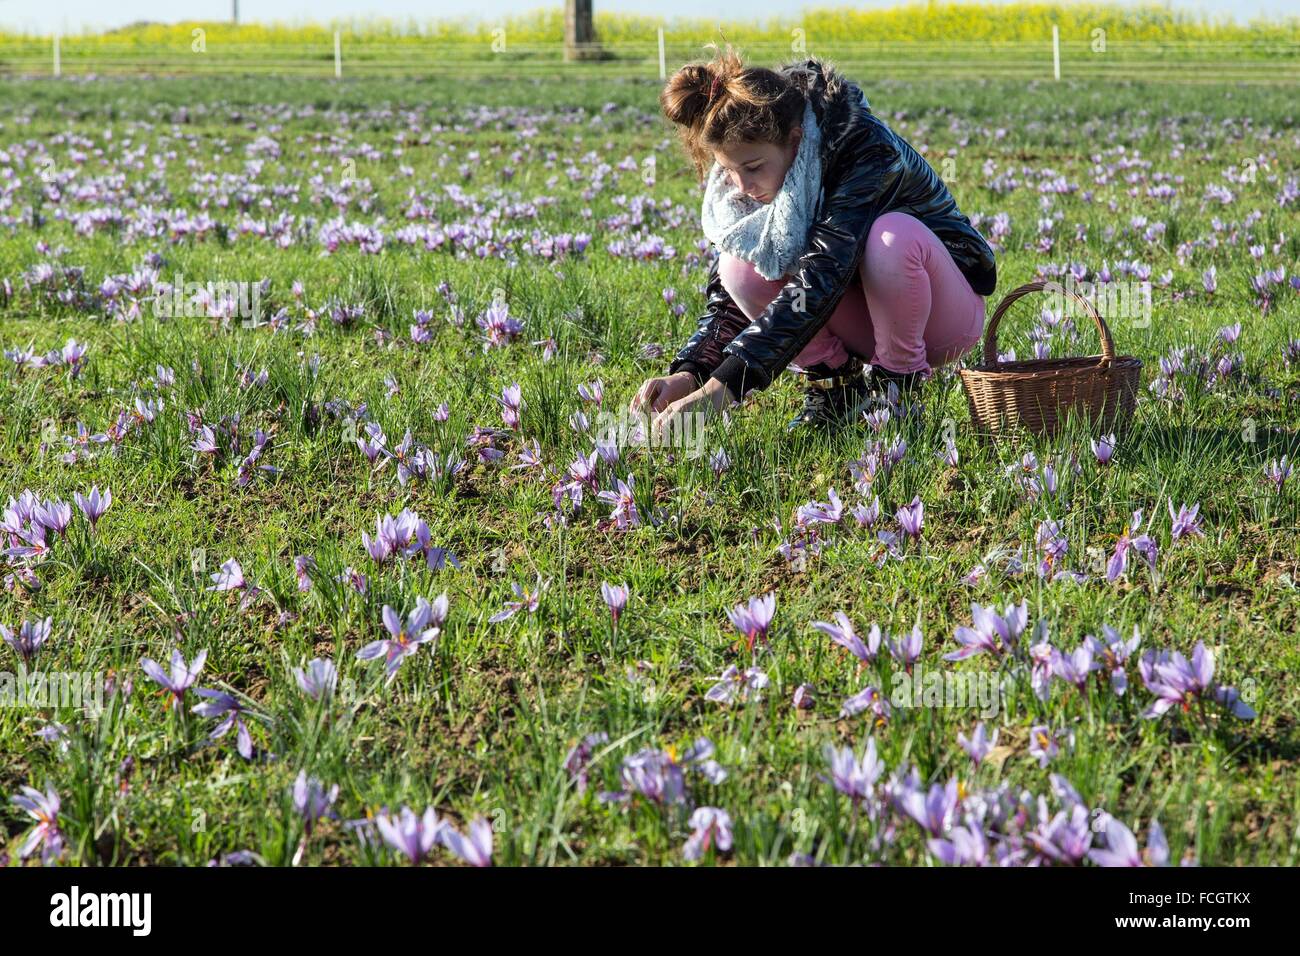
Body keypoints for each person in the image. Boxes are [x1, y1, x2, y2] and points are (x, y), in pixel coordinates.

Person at [630, 45, 997, 433]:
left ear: (795, 138)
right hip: (861, 317)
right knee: (736, 268)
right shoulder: (751, 180)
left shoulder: (864, 150)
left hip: (941, 318)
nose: (743, 186)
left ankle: (899, 391)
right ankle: (836, 387)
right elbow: (730, 299)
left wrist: (726, 388)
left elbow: (822, 274)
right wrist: (694, 373)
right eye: (730, 171)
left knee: (891, 237)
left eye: (753, 168)